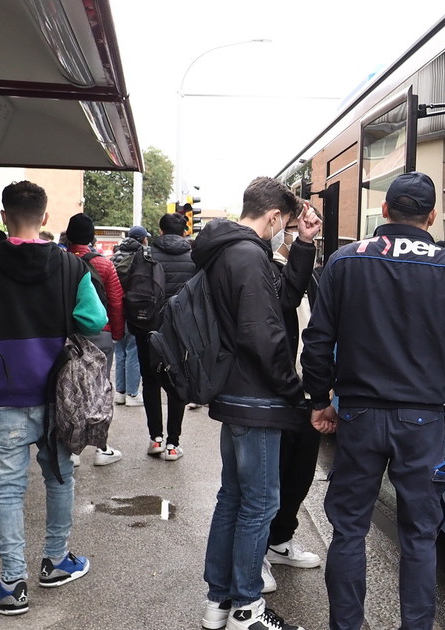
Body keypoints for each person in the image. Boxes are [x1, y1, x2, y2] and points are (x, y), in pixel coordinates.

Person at [301, 171, 445, 630]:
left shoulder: (345, 261)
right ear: (432, 216)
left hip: (357, 414)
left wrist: (318, 399)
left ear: (384, 212)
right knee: (419, 536)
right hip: (422, 421)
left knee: (349, 530)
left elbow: (317, 340)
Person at [0, 180, 108, 616]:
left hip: (4, 398)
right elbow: (93, 319)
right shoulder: (70, 268)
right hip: (60, 399)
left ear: (3, 217)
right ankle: (56, 562)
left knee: (8, 490)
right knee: (59, 479)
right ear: (44, 219)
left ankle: (12, 583)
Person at [196, 177, 309, 630]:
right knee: (259, 504)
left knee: (233, 498)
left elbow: (280, 301)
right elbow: (264, 334)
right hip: (256, 398)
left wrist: (303, 245)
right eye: (284, 225)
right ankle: (247, 607)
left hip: (234, 393)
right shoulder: (248, 256)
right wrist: (292, 388)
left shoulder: (226, 250)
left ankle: (218, 603)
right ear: (274, 216)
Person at [263, 199, 322, 592]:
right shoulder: (260, 269)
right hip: (274, 391)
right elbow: (283, 300)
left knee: (300, 474)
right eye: (292, 222)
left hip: (309, 389)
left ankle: (280, 541)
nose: (301, 227)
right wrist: (298, 246)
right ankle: (257, 553)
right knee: (267, 480)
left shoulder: (312, 275)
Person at [63, 213, 124, 466]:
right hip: (101, 333)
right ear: (91, 237)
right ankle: (101, 448)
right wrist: (117, 333)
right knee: (99, 390)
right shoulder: (104, 265)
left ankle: (71, 451)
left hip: (67, 335)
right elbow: (117, 301)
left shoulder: (60, 261)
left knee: (68, 389)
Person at [134, 213, 195, 461]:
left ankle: (155, 439)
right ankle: (173, 444)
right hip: (180, 330)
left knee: (150, 382)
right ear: (184, 232)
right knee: (176, 382)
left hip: (147, 327)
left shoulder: (145, 254)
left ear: (159, 231)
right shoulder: (194, 257)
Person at [111, 225, 148, 408]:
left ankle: (120, 392)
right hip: (134, 309)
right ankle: (133, 393)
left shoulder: (115, 255)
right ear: (142, 239)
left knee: (120, 351)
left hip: (116, 309)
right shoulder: (141, 257)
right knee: (134, 350)